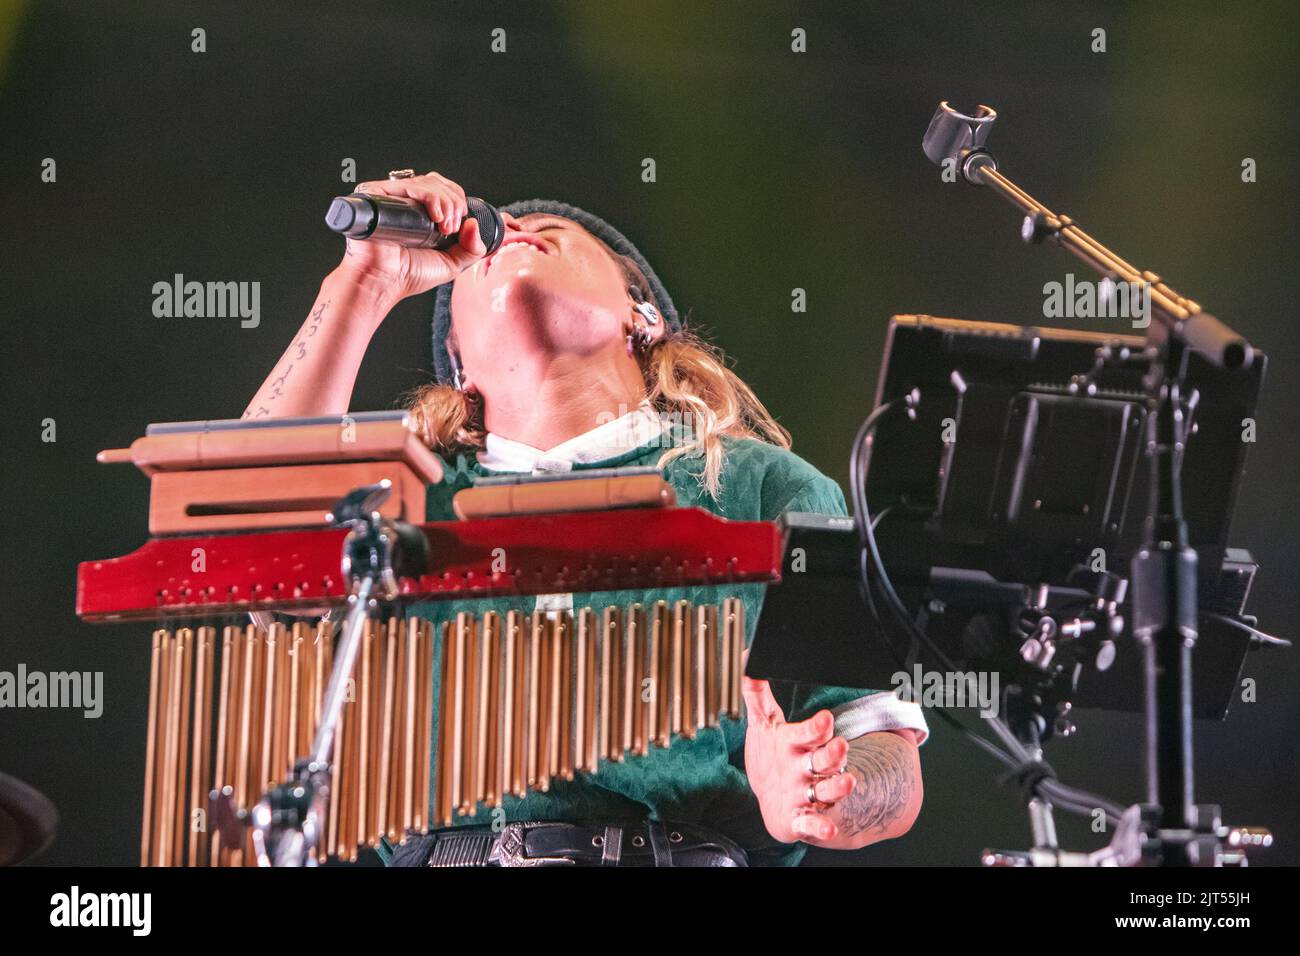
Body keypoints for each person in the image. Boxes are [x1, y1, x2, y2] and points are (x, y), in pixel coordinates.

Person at [245, 169, 927, 866]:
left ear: (642, 313)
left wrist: (821, 787)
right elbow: (243, 531)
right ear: (458, 362)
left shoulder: (767, 488)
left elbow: (888, 762)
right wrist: (363, 281)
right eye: (485, 250)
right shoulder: (400, 499)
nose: (509, 236)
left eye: (549, 236)